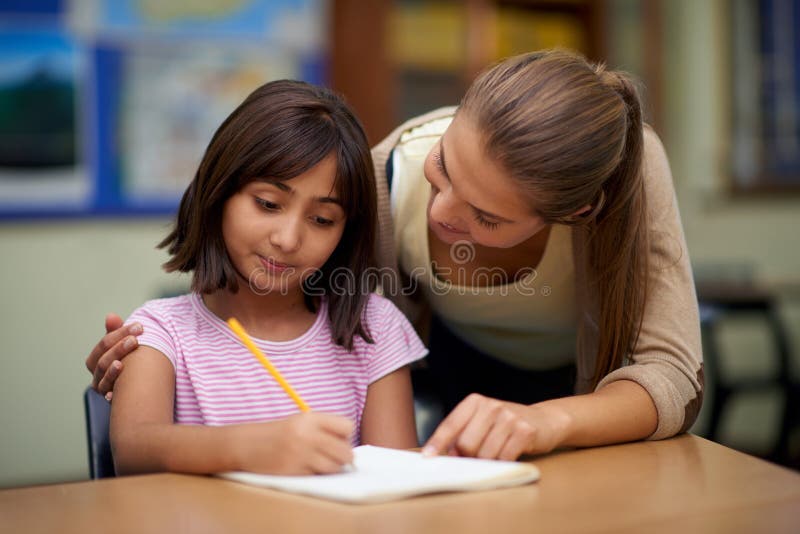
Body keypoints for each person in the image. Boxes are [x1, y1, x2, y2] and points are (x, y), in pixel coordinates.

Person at [88, 50, 702, 462]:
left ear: (576, 215)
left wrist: (548, 421)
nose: (439, 215)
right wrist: (145, 361)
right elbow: (248, 286)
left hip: (576, 400)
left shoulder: (627, 178)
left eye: (486, 217)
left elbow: (673, 375)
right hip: (450, 382)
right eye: (444, 167)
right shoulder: (376, 184)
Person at [106, 80, 427, 477]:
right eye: (268, 204)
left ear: (346, 231)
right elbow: (133, 450)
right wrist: (252, 446)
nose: (288, 239)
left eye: (322, 220)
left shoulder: (374, 328)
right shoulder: (161, 330)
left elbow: (397, 479)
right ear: (219, 191)